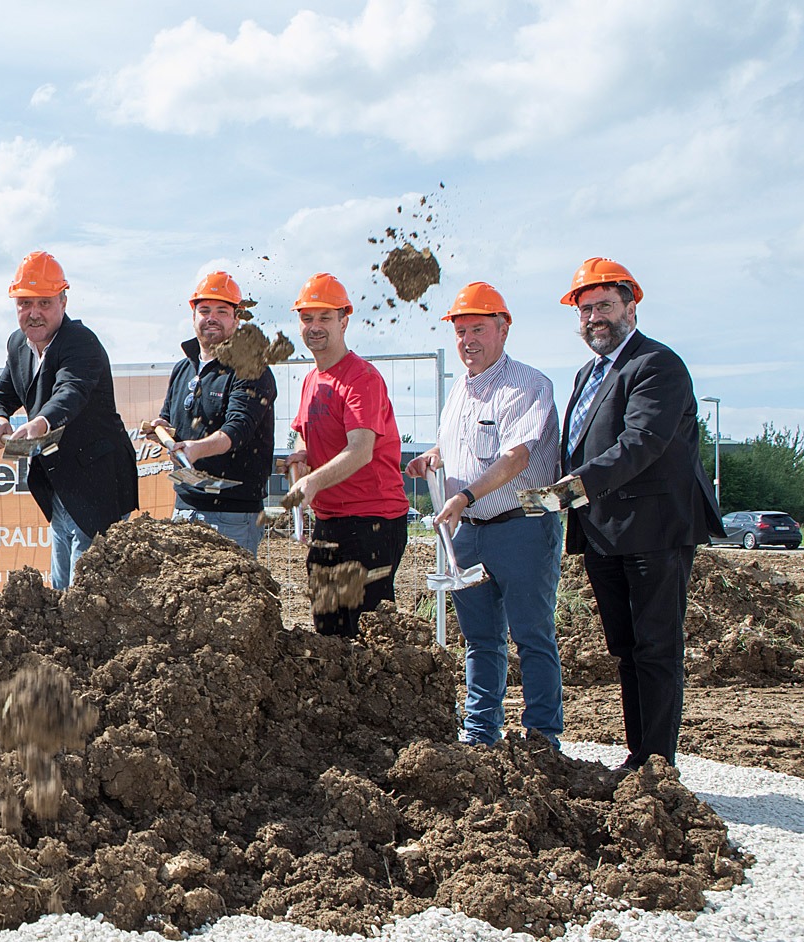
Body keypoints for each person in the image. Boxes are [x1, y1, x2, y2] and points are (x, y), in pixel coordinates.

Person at [553, 258, 723, 770]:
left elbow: (641, 442)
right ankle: (639, 755)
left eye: (604, 305)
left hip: (654, 531)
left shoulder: (657, 365)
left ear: (631, 306)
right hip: (604, 532)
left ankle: (657, 761)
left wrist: (573, 487)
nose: (593, 317)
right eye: (585, 310)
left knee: (656, 647)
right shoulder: (589, 373)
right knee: (626, 648)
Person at [404, 282, 564, 747]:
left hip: (522, 529)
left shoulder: (530, 385)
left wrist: (465, 497)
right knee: (480, 640)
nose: (468, 340)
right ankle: (480, 734)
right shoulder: (459, 390)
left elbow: (514, 458)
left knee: (532, 635)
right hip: (470, 534)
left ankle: (541, 737)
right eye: (460, 332)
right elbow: (463, 445)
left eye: (478, 329)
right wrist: (433, 456)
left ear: (504, 328)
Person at [0, 251, 139, 590]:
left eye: (44, 303)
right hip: (59, 484)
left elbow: (70, 393)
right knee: (61, 584)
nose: (33, 313)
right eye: (25, 303)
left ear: (63, 302)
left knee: (87, 589)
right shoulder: (18, 345)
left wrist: (37, 425)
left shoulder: (80, 343)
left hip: (98, 482)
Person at [283, 272, 410, 638]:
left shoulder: (361, 379)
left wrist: (311, 482)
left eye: (325, 318)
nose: (315, 327)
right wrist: (301, 453)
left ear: (344, 320)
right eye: (307, 319)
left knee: (368, 630)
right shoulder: (312, 380)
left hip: (372, 521)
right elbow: (301, 436)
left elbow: (360, 451)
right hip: (331, 520)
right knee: (329, 629)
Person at [145, 270, 278, 555]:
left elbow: (238, 429)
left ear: (236, 319)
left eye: (222, 310)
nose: (211, 318)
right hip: (185, 507)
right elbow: (170, 416)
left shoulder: (249, 368)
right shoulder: (184, 368)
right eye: (204, 310)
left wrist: (195, 449)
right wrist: (162, 430)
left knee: (231, 597)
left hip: (233, 514)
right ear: (193, 316)